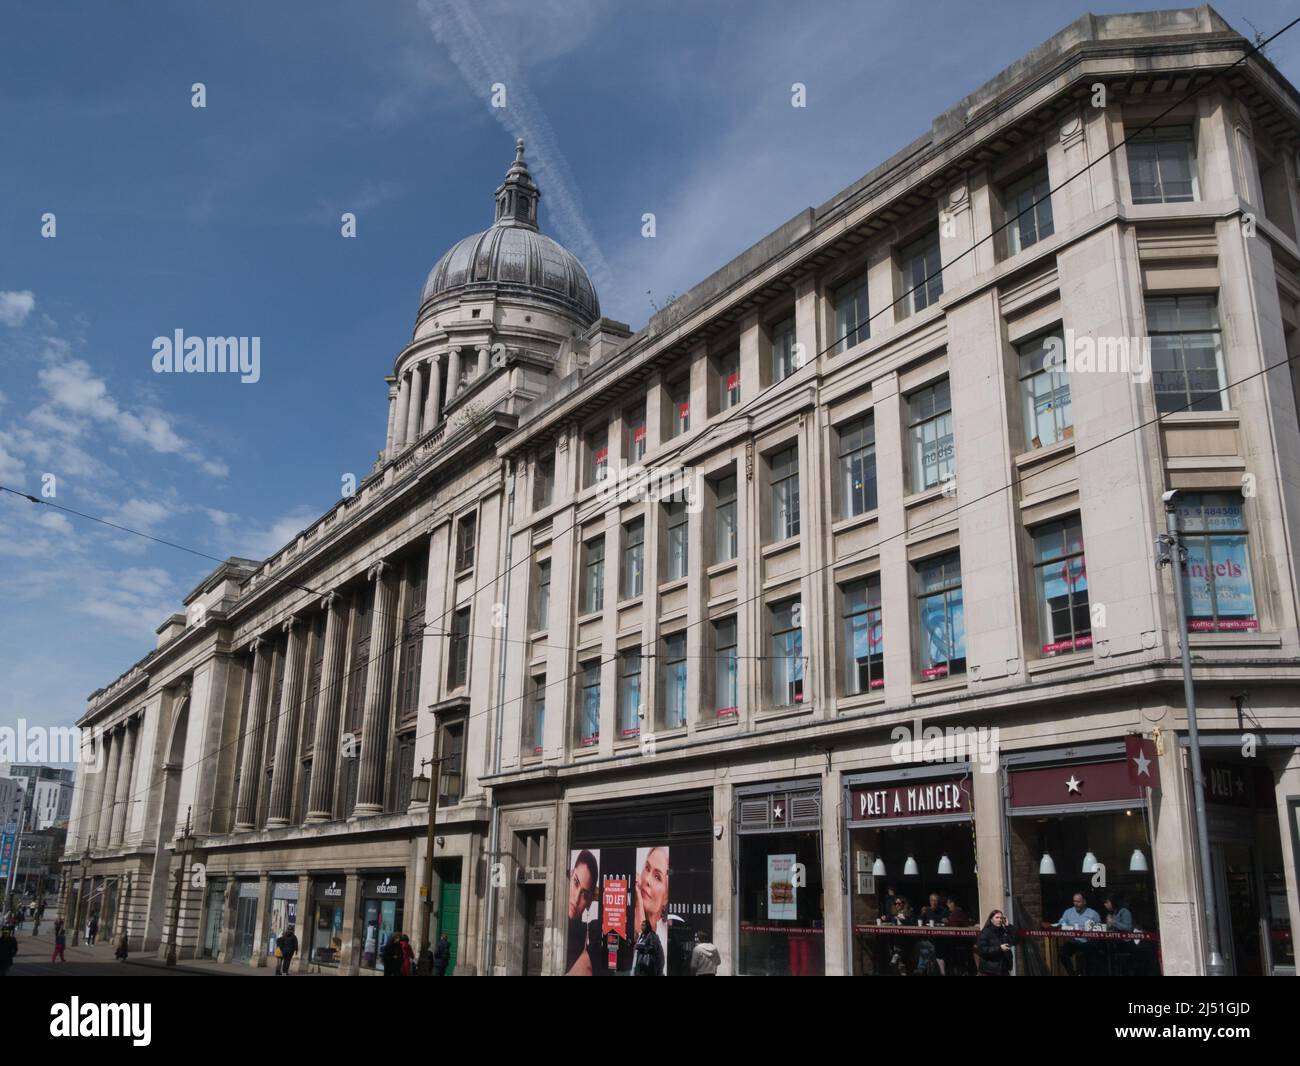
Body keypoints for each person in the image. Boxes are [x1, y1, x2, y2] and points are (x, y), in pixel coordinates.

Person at [565, 850, 599, 976]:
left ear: (589, 901)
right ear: (571, 875)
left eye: (584, 894)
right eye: (575, 882)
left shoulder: (589, 932)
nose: (576, 898)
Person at [1057, 892, 1101, 976]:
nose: (1076, 904)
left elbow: (1100, 929)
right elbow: (1060, 924)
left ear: (1084, 902)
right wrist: (1063, 927)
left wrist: (1092, 932)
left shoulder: (1093, 914)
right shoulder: (1068, 912)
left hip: (1087, 942)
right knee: (1062, 953)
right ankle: (1073, 974)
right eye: (1074, 901)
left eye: (1078, 902)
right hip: (1073, 942)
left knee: (1092, 955)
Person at [975, 909, 1015, 976]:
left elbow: (1015, 940)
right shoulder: (986, 932)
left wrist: (1008, 926)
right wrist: (999, 948)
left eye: (1001, 918)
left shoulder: (1003, 931)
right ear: (991, 920)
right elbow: (982, 950)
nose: (999, 919)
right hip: (990, 970)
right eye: (997, 917)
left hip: (1003, 969)